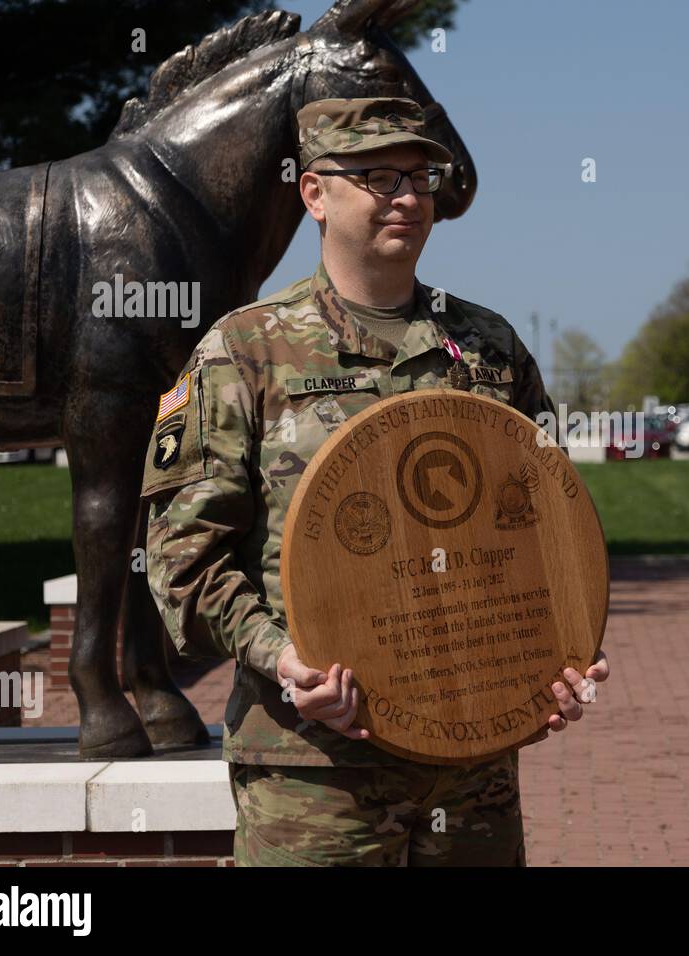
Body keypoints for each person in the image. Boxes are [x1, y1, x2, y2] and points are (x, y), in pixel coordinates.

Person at [140, 97, 608, 866]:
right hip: (314, 775)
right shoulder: (244, 352)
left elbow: (551, 528)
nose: (409, 196)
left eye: (423, 175)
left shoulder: (490, 348)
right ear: (315, 193)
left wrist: (562, 655)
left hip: (472, 767)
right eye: (379, 176)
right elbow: (182, 560)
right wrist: (281, 660)